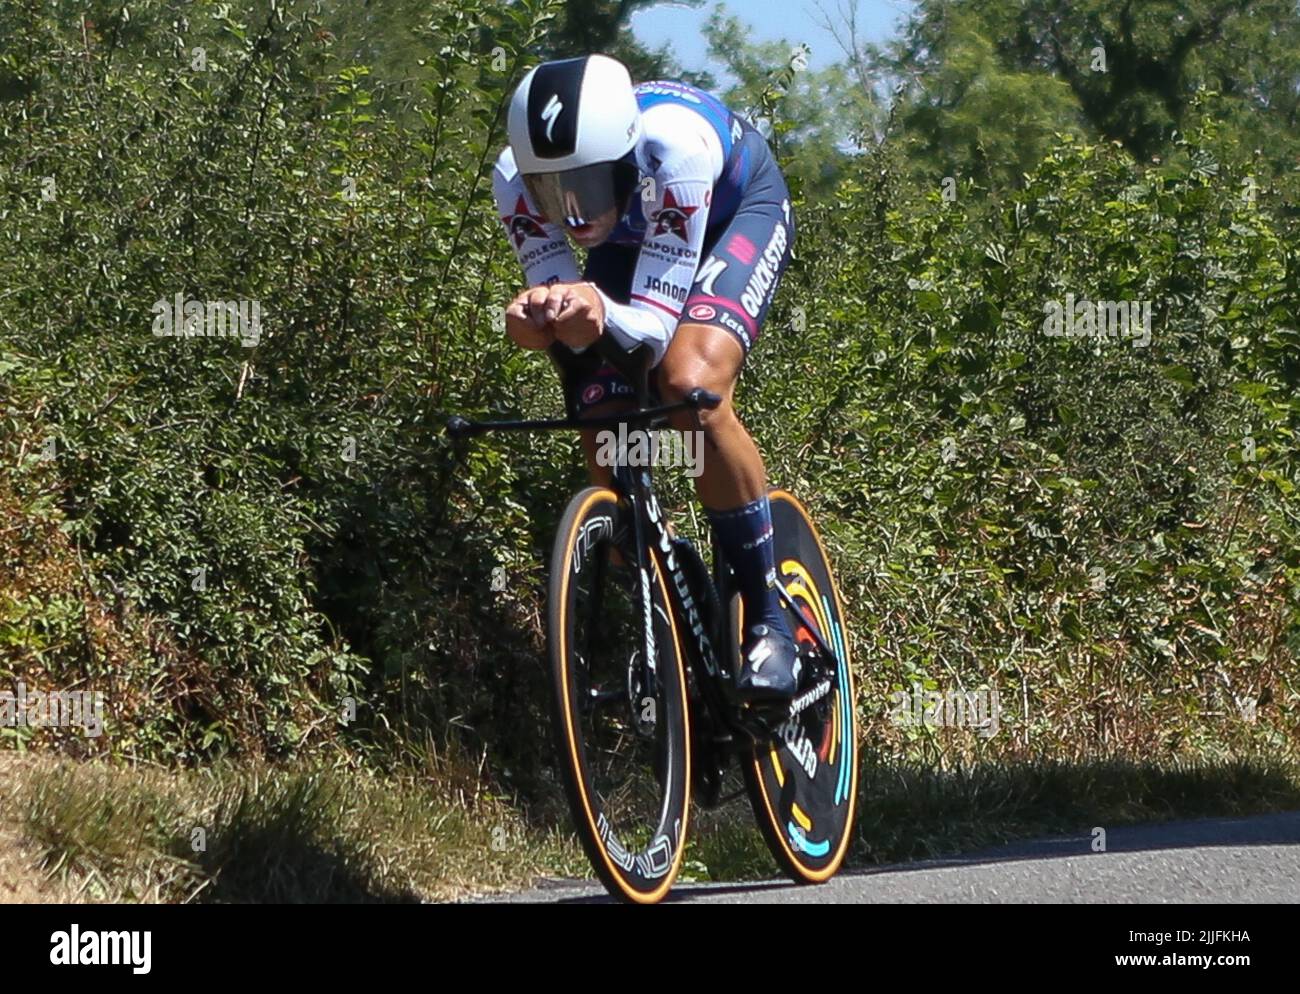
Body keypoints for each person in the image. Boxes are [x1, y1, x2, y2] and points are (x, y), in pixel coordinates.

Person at [491, 53, 800, 703]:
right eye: (555, 192)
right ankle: (656, 582)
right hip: (637, 236)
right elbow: (562, 313)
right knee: (599, 408)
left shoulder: (673, 150)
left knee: (688, 387)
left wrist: (595, 311)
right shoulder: (512, 179)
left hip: (730, 215)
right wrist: (538, 315)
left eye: (588, 187)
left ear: (626, 158)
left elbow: (653, 335)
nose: (574, 215)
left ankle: (769, 620)